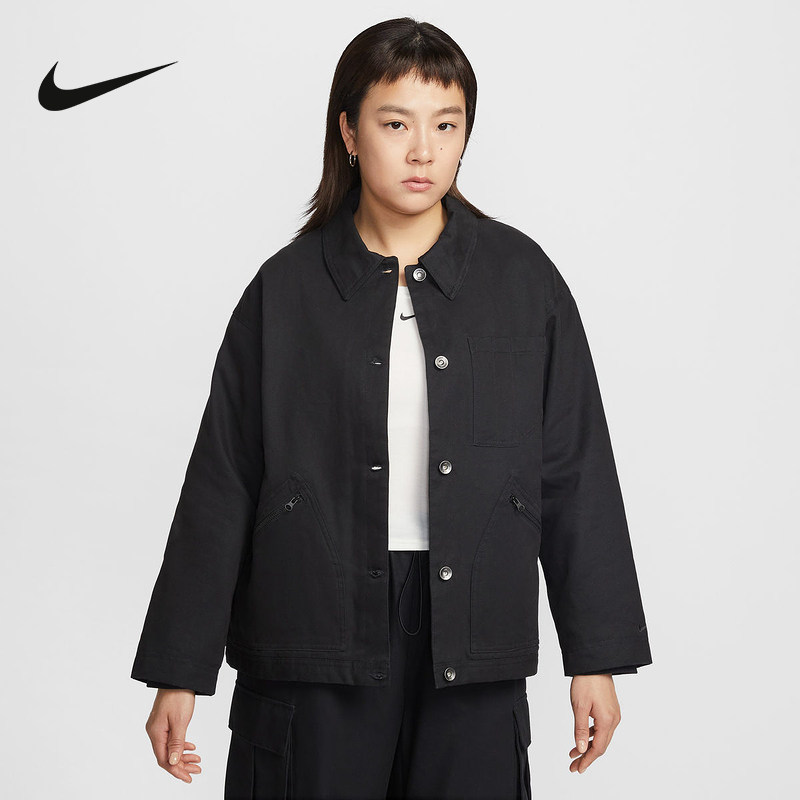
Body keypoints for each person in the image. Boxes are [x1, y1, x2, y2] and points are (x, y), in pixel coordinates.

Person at [132, 16, 652, 799]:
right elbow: (223, 481)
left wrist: (596, 657)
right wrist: (180, 669)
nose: (423, 151)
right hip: (313, 633)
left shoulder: (522, 281)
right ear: (348, 131)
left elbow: (574, 471)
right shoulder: (286, 290)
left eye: (447, 125)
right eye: (396, 123)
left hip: (474, 637)